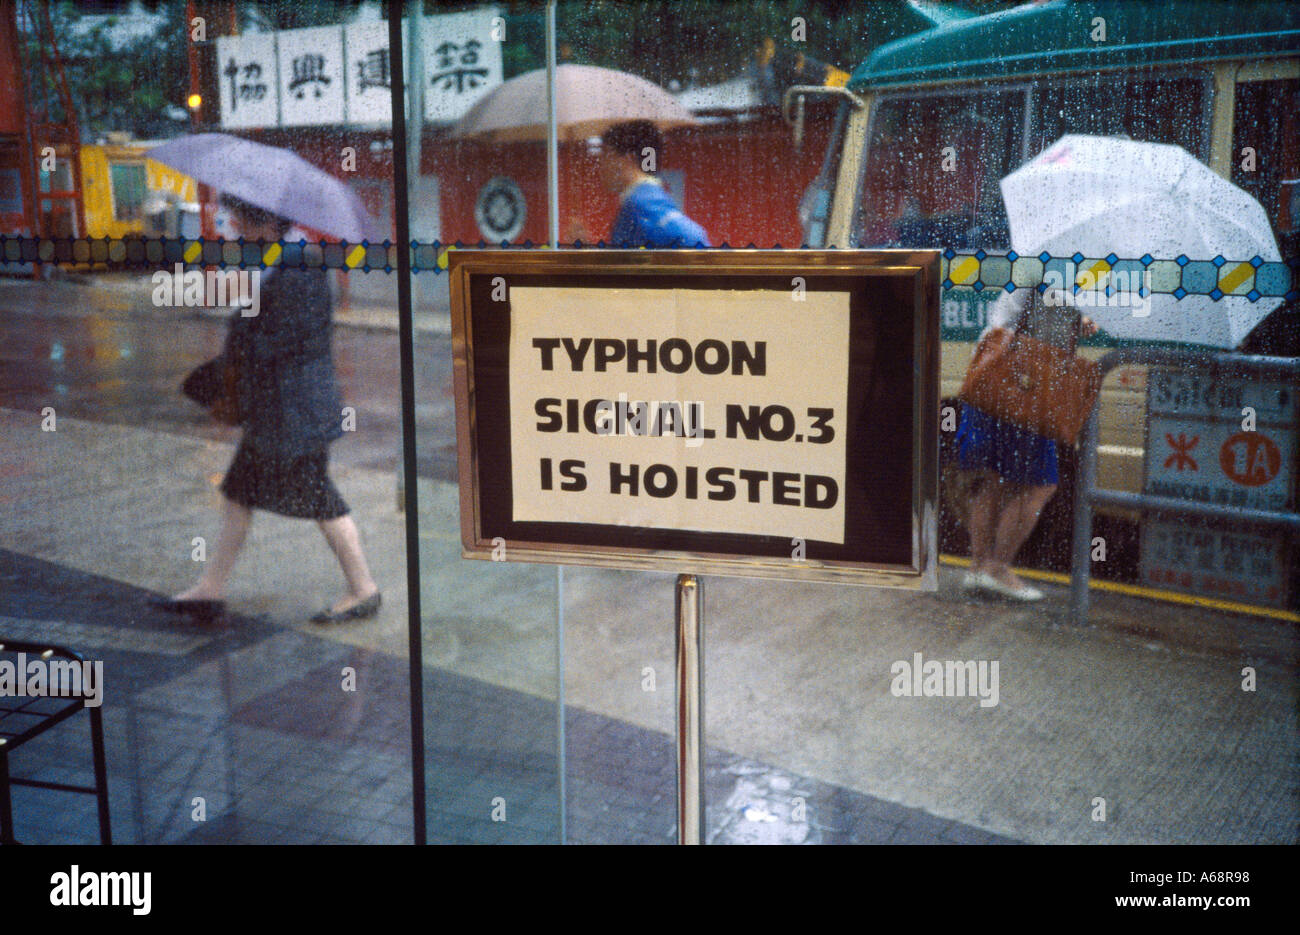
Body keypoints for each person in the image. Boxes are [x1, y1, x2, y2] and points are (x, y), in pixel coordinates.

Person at [154, 194, 381, 623]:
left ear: (267, 222)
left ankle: (363, 588)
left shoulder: (299, 265)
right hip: (285, 409)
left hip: (295, 413)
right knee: (240, 494)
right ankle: (210, 590)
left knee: (320, 499)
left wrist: (221, 372)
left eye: (241, 218)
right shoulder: (281, 258)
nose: (234, 226)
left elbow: (275, 342)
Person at [956, 286, 1097, 602]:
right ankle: (997, 569)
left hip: (993, 381)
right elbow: (1043, 319)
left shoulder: (1034, 265)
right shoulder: (1060, 272)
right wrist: (1079, 315)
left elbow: (1006, 315)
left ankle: (978, 567)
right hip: (1027, 389)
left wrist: (1079, 316)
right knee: (1038, 485)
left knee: (995, 481)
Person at [570, 119, 710, 248]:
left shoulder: (640, 203)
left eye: (606, 155)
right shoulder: (642, 199)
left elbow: (694, 238)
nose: (600, 166)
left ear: (627, 159)